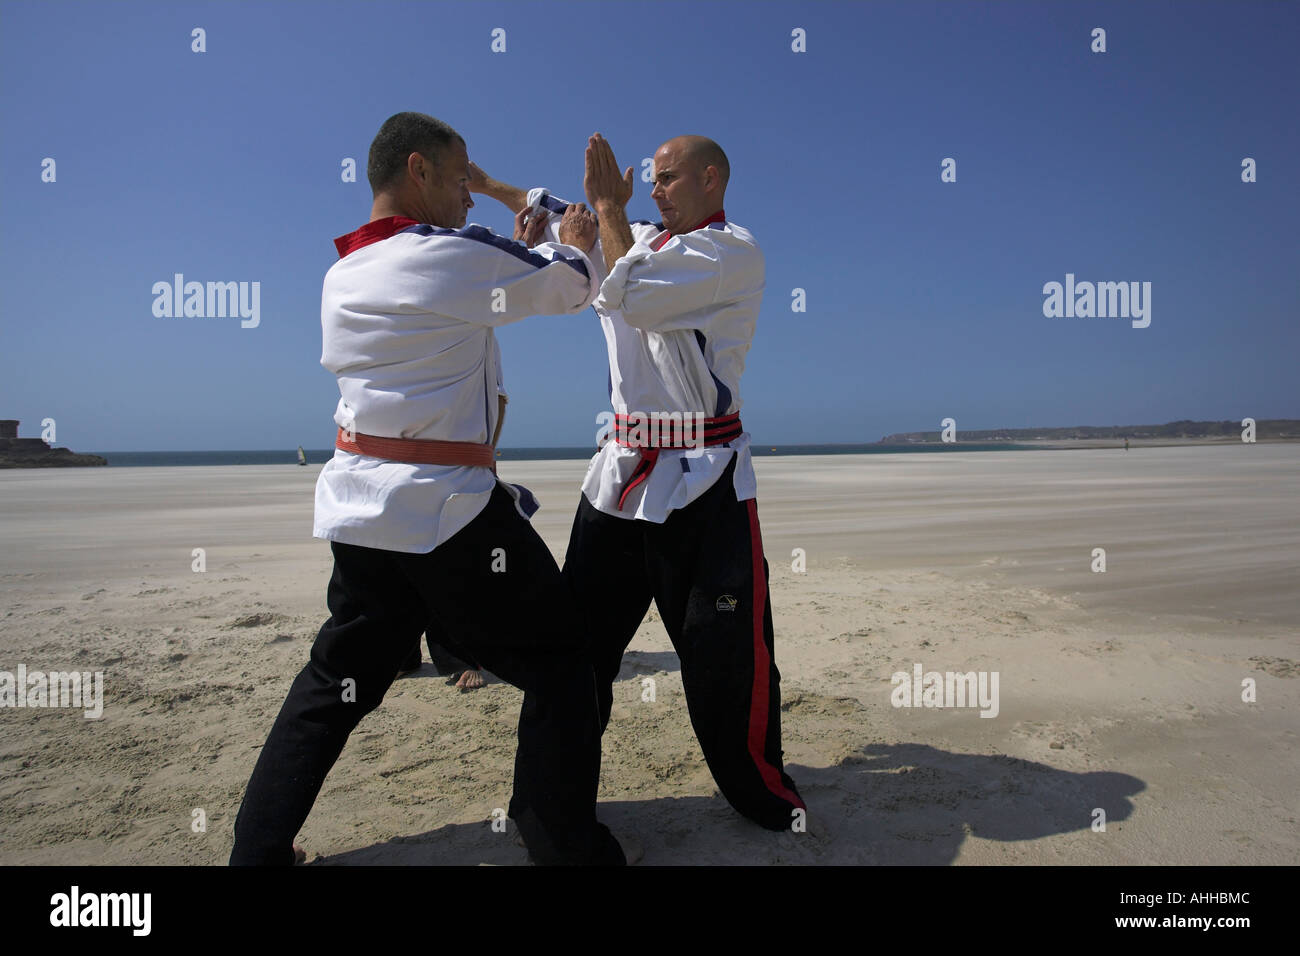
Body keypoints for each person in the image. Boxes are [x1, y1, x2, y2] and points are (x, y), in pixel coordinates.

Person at [229, 112, 624, 866]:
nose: (469, 196)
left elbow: (498, 267)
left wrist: (531, 232)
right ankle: (564, 845)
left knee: (333, 685)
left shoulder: (343, 270)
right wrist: (574, 243)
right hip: (446, 514)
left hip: (359, 509)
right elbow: (565, 288)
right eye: (459, 177)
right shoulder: (442, 256)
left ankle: (256, 854)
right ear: (418, 171)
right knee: (567, 662)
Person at [472, 133, 805, 833]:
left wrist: (604, 212)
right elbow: (552, 205)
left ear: (712, 179)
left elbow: (640, 291)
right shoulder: (637, 232)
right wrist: (487, 184)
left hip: (707, 480)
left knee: (726, 656)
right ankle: (548, 809)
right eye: (649, 180)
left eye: (668, 178)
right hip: (620, 478)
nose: (653, 189)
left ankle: (762, 794)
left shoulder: (731, 253)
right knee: (574, 653)